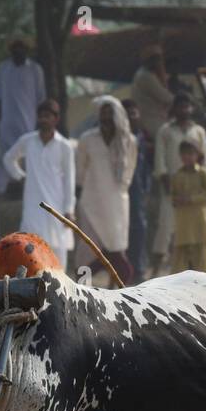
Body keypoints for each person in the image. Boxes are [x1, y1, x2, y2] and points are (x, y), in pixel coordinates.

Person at [2, 99, 75, 264]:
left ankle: (59, 289)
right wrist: (20, 176)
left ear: (56, 119)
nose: (43, 119)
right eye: (41, 116)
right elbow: (8, 159)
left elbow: (70, 179)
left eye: (47, 116)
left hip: (56, 204)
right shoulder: (28, 141)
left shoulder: (65, 146)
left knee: (58, 253)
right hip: (33, 204)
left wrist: (69, 208)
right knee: (30, 249)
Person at [75, 95, 138, 285]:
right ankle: (83, 289)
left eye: (111, 113)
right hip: (91, 201)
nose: (107, 117)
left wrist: (120, 190)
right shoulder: (87, 139)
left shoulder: (129, 141)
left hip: (117, 202)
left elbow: (130, 171)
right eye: (104, 113)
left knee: (116, 247)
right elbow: (80, 170)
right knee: (88, 247)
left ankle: (116, 289)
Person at [151, 93, 206, 275]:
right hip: (173, 186)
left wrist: (205, 180)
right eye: (180, 106)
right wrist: (164, 179)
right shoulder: (166, 130)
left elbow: (205, 158)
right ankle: (156, 270)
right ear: (174, 109)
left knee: (195, 230)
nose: (184, 110)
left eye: (187, 106)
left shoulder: (198, 131)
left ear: (191, 109)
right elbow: (159, 159)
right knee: (166, 227)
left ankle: (195, 272)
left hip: (194, 188)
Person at [0, 39, 48, 194]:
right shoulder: (3, 68)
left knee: (28, 158)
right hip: (7, 122)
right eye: (15, 49)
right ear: (10, 51)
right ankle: (0, 191)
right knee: (4, 157)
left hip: (28, 123)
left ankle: (29, 191)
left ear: (26, 50)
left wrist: (40, 123)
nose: (18, 52)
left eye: (21, 48)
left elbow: (41, 99)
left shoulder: (35, 70)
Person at [169, 140, 206, 273]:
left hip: (199, 223)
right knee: (178, 267)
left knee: (202, 266)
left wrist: (191, 199)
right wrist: (176, 200)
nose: (187, 157)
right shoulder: (177, 175)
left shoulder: (202, 173)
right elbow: (172, 196)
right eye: (183, 154)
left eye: (190, 153)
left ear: (197, 155)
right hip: (183, 224)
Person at [121, 98, 153, 279]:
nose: (131, 117)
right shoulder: (118, 138)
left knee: (139, 229)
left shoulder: (142, 136)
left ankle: (139, 270)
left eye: (134, 113)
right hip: (120, 192)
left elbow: (146, 165)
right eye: (127, 114)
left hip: (138, 190)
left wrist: (146, 187)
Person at [131, 46, 174, 152]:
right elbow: (166, 97)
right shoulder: (145, 76)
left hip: (157, 116)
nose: (157, 61)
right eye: (154, 59)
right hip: (150, 119)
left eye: (159, 59)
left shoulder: (151, 74)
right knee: (171, 138)